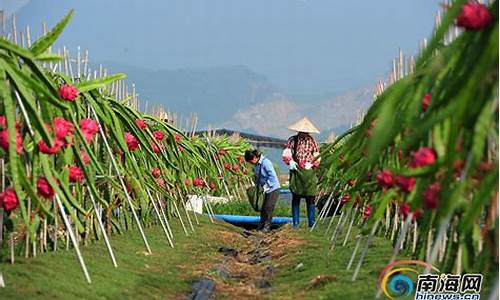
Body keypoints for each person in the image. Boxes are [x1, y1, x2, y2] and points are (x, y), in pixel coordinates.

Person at [282, 117, 321, 228]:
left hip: (309, 171)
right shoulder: (292, 140)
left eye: (305, 132)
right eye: (301, 131)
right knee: (296, 197)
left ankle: (311, 223)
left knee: (310, 198)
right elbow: (286, 153)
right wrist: (290, 162)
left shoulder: (313, 141)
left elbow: (317, 156)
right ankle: (296, 223)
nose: (303, 133)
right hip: (297, 170)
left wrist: (312, 164)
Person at [245, 149, 281, 232]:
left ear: (254, 157)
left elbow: (272, 176)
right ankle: (260, 227)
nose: (250, 163)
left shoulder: (266, 163)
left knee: (268, 208)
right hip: (264, 189)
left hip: (273, 188)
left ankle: (266, 227)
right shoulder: (257, 165)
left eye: (250, 161)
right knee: (263, 208)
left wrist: (265, 186)